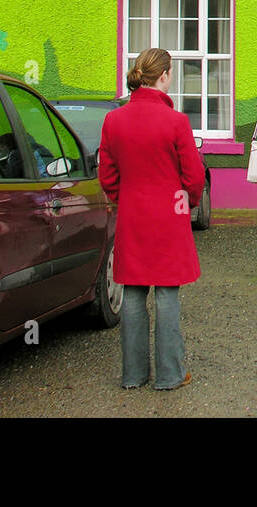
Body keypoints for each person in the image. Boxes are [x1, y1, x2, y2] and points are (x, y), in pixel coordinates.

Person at [98, 47, 204, 390]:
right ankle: (170, 374)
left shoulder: (114, 120)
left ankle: (133, 374)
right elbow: (193, 176)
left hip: (132, 214)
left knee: (132, 291)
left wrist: (124, 197)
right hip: (168, 216)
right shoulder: (176, 122)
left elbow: (107, 175)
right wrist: (188, 201)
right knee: (167, 292)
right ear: (164, 76)